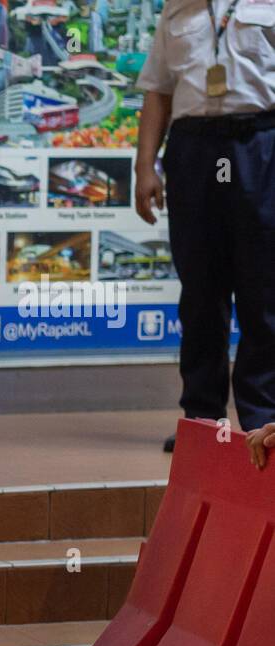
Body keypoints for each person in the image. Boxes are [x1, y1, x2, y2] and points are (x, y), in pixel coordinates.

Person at [135, 0, 275, 452]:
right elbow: (158, 90)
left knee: (265, 288)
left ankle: (264, 421)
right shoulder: (177, 9)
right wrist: (144, 168)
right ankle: (202, 421)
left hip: (260, 143)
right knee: (199, 291)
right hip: (193, 149)